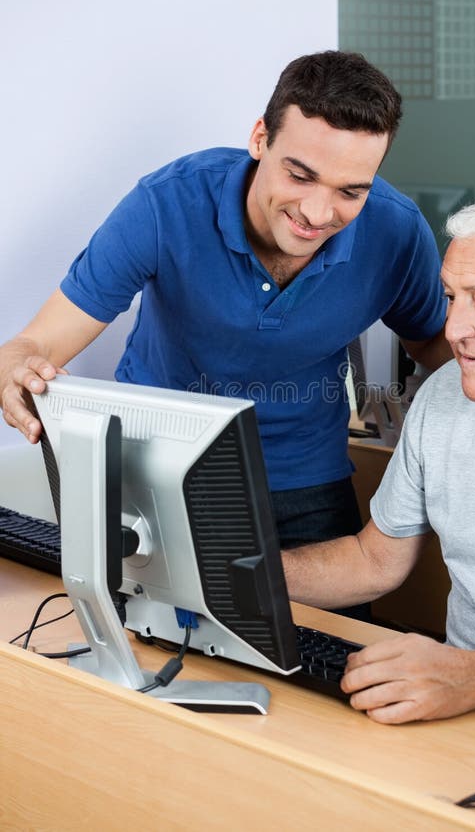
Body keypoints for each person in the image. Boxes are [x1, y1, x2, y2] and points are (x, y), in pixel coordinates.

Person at [0, 50, 450, 561]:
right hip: (158, 470)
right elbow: (34, 344)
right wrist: (14, 369)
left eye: (351, 191)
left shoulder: (398, 232)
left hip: (309, 488)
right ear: (260, 138)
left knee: (331, 642)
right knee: (150, 637)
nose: (318, 213)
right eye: (300, 177)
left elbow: (434, 344)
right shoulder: (166, 204)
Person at [282, 188, 475, 723]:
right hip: (455, 697)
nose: (452, 330)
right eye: (452, 297)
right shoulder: (445, 395)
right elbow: (374, 561)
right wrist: (234, 575)